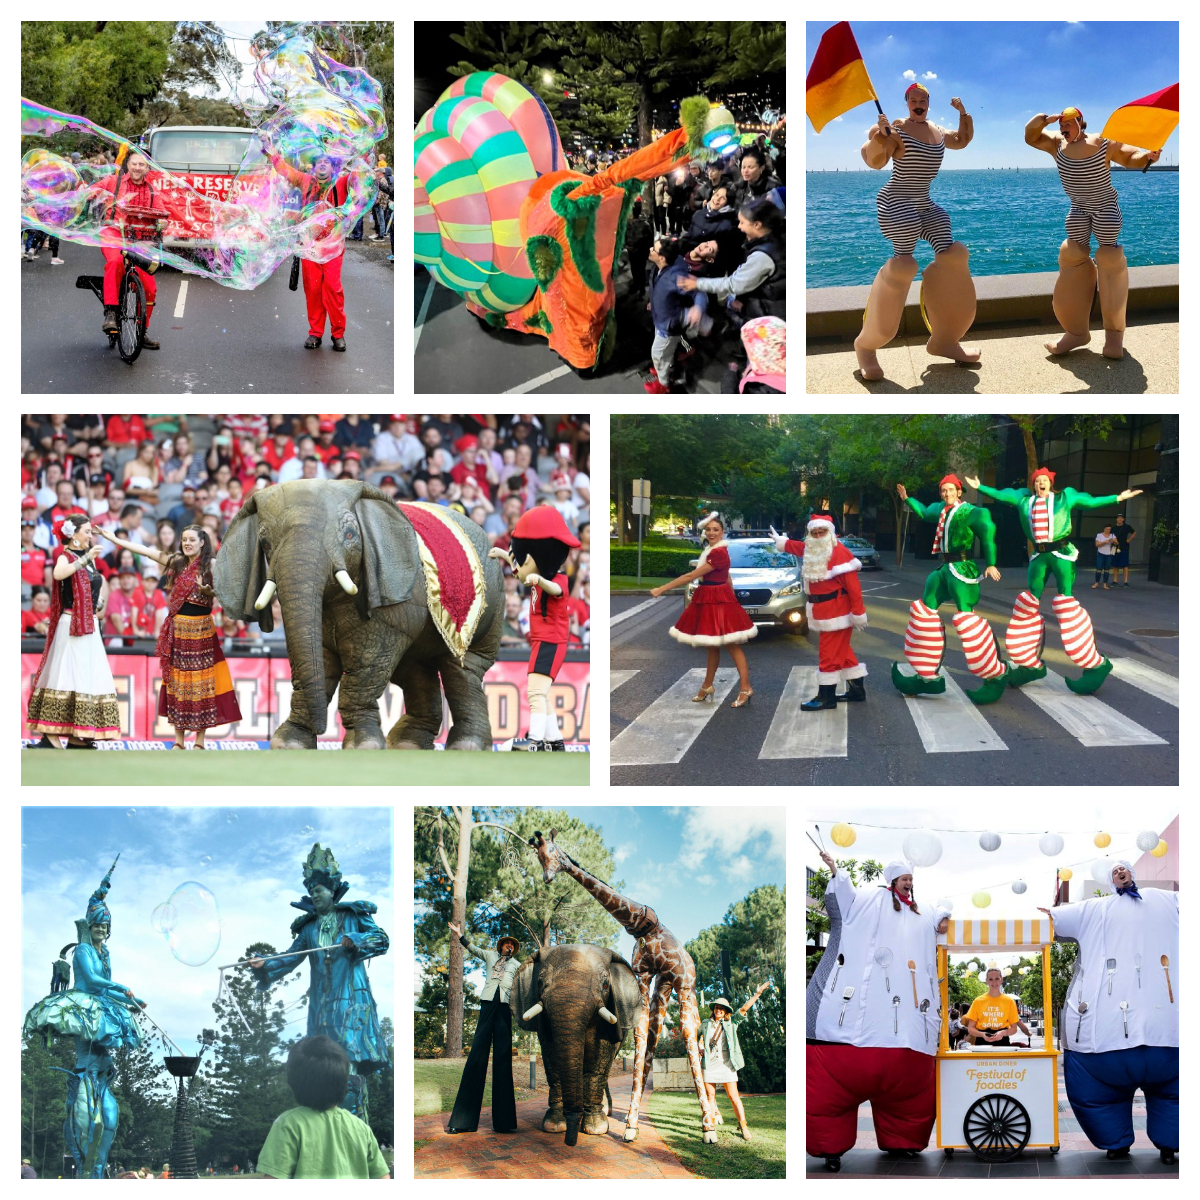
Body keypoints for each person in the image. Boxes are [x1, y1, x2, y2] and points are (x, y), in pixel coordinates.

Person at [808, 854, 950, 1169]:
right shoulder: (868, 901)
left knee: (903, 1103)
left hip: (893, 1043)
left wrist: (943, 910)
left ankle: (900, 1139)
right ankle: (841, 1145)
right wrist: (836, 870)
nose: (909, 884)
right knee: (902, 1101)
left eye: (911, 879)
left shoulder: (920, 911)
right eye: (905, 879)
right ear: (894, 881)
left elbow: (941, 921)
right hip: (850, 1042)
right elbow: (841, 896)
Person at [1038, 861, 1177, 1163]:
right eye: (1115, 871)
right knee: (1111, 1095)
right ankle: (1121, 1143)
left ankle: (1167, 1145)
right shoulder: (1095, 909)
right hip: (1120, 1038)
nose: (1120, 874)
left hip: (1145, 1036)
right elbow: (1056, 919)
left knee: (1167, 1094)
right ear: (1111, 879)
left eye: (1123, 869)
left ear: (1132, 874)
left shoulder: (1165, 901)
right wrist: (1051, 914)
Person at [965, 468, 1142, 693]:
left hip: (1061, 554)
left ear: (1050, 483)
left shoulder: (1064, 497)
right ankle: (1029, 664)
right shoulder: (1024, 499)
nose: (1041, 484)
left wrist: (1118, 498)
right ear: (1033, 484)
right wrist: (980, 487)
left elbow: (1091, 501)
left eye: (1044, 481)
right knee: (1028, 602)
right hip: (1039, 556)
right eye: (1037, 481)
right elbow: (1003, 494)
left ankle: (1095, 663)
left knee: (1065, 603)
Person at [22, 857, 145, 1177]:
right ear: (89, 928)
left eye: (105, 926)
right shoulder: (84, 952)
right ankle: (83, 1170)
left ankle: (98, 1169)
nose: (101, 930)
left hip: (100, 1018)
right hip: (86, 1013)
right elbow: (90, 982)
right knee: (87, 1107)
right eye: (96, 926)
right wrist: (120, 986)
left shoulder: (105, 953)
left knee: (109, 1112)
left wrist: (131, 1001)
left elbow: (107, 991)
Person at [854, 85, 979, 380]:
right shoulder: (896, 128)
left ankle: (945, 340)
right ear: (907, 103)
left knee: (954, 255)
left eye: (923, 100)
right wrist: (879, 136)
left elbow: (961, 140)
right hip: (896, 203)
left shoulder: (937, 131)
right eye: (914, 100)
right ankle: (866, 346)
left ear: (929, 103)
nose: (919, 104)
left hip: (924, 203)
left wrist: (964, 114)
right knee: (904, 265)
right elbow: (874, 161)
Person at [1025, 108, 1159, 359]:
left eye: (1068, 123)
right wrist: (1045, 119)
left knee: (1109, 257)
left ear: (1080, 123)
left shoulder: (1102, 142)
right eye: (1061, 124)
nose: (1063, 128)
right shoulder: (1056, 144)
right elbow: (1030, 136)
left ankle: (1114, 337)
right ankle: (1076, 332)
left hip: (1105, 207)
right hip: (1078, 207)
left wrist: (1147, 156)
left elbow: (1130, 156)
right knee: (1072, 252)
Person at [104, 525, 241, 748]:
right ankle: (178, 742)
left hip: (202, 630)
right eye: (184, 539)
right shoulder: (177, 562)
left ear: (202, 542)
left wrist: (210, 592)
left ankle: (199, 741)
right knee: (178, 683)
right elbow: (146, 551)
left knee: (203, 684)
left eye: (191, 540)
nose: (187, 543)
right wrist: (116, 540)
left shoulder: (212, 565)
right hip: (178, 629)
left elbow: (228, 592)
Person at [892, 475, 1009, 704]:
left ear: (959, 491)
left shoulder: (971, 511)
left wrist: (992, 562)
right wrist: (907, 499)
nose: (946, 494)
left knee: (967, 620)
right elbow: (925, 512)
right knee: (925, 612)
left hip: (962, 567)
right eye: (943, 490)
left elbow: (987, 533)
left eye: (950, 490)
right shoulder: (941, 510)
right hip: (944, 567)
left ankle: (995, 675)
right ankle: (926, 675)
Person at [488, 506, 580, 750]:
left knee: (535, 694)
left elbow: (557, 591)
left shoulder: (556, 579)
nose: (516, 569)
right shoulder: (536, 571)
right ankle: (555, 741)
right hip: (543, 640)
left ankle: (535, 741)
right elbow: (523, 564)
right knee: (541, 693)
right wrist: (503, 554)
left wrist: (540, 581)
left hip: (551, 641)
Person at [26, 518, 120, 748]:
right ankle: (51, 734)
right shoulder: (66, 556)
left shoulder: (88, 560)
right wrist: (87, 558)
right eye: (87, 532)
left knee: (85, 676)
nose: (90, 536)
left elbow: (92, 589)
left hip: (88, 626)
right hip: (71, 625)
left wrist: (99, 602)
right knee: (66, 673)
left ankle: (78, 735)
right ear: (74, 534)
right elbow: (58, 574)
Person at [649, 511, 755, 708]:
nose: (712, 532)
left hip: (716, 599)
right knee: (711, 645)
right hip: (710, 597)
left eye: (716, 529)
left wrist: (661, 589)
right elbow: (728, 577)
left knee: (732, 645)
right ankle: (707, 686)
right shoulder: (711, 551)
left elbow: (690, 576)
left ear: (723, 532)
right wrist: (731, 597)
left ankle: (745, 688)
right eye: (708, 529)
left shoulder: (718, 553)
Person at [261, 134, 353, 351]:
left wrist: (353, 151)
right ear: (313, 167)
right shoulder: (305, 181)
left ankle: (338, 334)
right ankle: (315, 333)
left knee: (332, 288)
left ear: (333, 167)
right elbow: (284, 170)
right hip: (308, 246)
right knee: (313, 290)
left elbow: (359, 177)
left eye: (327, 162)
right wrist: (270, 150)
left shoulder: (340, 182)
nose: (323, 164)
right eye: (319, 161)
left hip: (332, 246)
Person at [256, 1037, 392, 1180]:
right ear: (344, 1081)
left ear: (293, 1082)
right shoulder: (361, 1127)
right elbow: (383, 1177)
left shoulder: (288, 1124)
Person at [770, 515, 868, 709]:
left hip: (837, 612)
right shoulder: (814, 548)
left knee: (828, 653)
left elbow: (854, 587)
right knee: (842, 652)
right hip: (823, 610)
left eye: (821, 532)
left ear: (829, 532)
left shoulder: (840, 553)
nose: (817, 535)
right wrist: (782, 542)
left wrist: (858, 613)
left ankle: (826, 697)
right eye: (813, 533)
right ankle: (857, 691)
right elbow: (799, 547)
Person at [445, 921, 521, 1135]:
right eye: (507, 944)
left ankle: (504, 1123)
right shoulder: (489, 955)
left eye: (512, 946)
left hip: (505, 1008)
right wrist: (460, 934)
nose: (510, 947)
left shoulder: (517, 965)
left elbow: (525, 979)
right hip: (488, 1004)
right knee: (477, 1056)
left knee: (503, 1059)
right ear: (501, 946)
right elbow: (472, 948)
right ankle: (461, 1121)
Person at [91, 152, 170, 348]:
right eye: (134, 164)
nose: (137, 168)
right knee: (116, 262)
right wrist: (91, 194)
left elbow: (162, 216)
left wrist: (163, 223)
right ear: (128, 164)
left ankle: (141, 332)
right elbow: (91, 192)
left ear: (147, 168)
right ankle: (110, 312)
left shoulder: (152, 190)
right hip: (114, 235)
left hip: (140, 240)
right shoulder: (112, 182)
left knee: (150, 289)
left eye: (142, 165)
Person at [676, 197, 785, 322]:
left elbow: (734, 284)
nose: (739, 227)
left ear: (757, 225)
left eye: (742, 222)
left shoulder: (764, 255)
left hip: (770, 318)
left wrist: (697, 283)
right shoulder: (774, 240)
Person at [644, 237, 719, 394]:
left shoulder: (675, 276)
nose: (650, 250)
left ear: (662, 257)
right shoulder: (659, 267)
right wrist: (654, 301)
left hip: (668, 326)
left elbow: (698, 292)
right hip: (662, 319)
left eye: (654, 249)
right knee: (665, 353)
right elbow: (657, 286)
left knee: (658, 353)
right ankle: (663, 368)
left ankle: (663, 384)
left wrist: (698, 308)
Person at [700, 983, 772, 1141]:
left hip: (727, 1065)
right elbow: (695, 1037)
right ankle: (711, 1127)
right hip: (710, 1065)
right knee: (710, 1097)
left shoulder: (731, 1023)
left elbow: (744, 1009)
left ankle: (743, 1126)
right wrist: (699, 1047)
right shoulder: (705, 1024)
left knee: (733, 1096)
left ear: (726, 1011)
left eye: (721, 1008)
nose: (718, 1010)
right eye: (716, 1007)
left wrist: (757, 994)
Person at [964, 969, 1019, 1047]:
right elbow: (970, 1028)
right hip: (982, 1042)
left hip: (1002, 1042)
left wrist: (1003, 1033)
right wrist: (982, 1034)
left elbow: (1014, 1029)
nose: (994, 982)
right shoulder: (978, 1001)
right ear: (986, 980)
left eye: (997, 979)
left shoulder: (1009, 1001)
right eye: (990, 979)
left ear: (1001, 979)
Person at [623, 198, 653, 301]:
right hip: (633, 250)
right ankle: (637, 285)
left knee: (640, 269)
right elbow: (626, 235)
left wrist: (648, 249)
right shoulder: (630, 222)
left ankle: (641, 288)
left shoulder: (645, 222)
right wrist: (626, 245)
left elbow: (649, 238)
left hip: (640, 250)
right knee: (635, 268)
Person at [1112, 513, 1136, 586]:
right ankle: (1115, 581)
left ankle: (1125, 581)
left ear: (1123, 519)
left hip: (1124, 547)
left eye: (1121, 518)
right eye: (1118, 518)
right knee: (1115, 565)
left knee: (1125, 565)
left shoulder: (1127, 527)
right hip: (1115, 548)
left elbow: (1134, 532)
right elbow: (1110, 536)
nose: (1119, 519)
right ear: (1116, 519)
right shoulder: (1113, 528)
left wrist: (1129, 539)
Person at [1094, 524, 1118, 589]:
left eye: (1109, 529)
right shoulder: (1099, 535)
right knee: (1099, 568)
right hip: (1101, 554)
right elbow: (1097, 544)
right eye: (1107, 529)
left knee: (1107, 570)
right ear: (1104, 529)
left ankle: (1105, 583)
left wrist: (1114, 541)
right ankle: (1097, 582)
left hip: (1109, 554)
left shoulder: (1112, 535)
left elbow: (1117, 543)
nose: (1108, 530)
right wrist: (1105, 542)